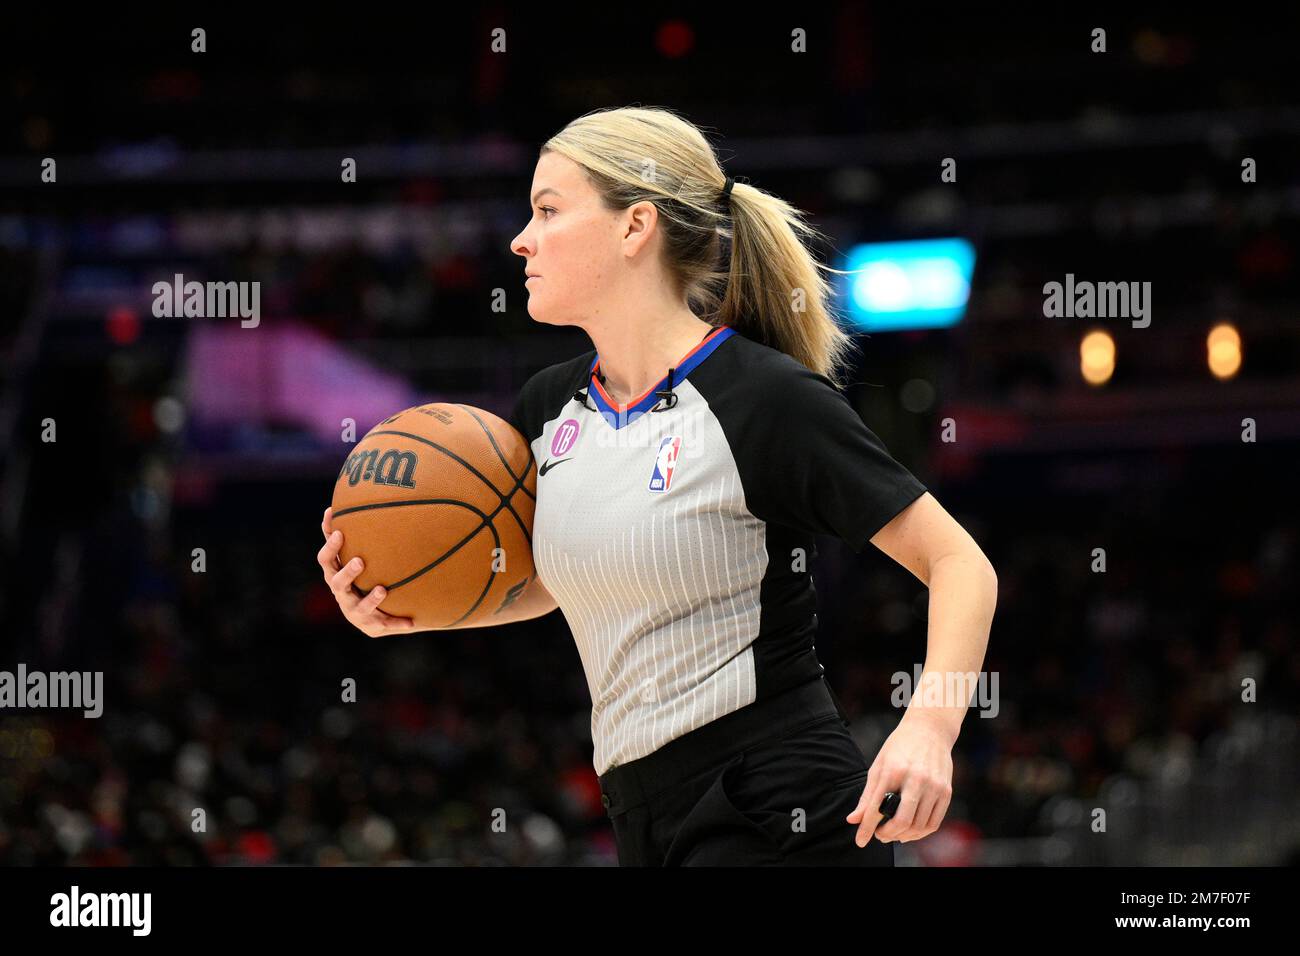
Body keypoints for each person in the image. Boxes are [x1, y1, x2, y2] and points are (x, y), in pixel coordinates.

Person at [320, 106, 998, 866]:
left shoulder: (764, 399)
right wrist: (412, 610)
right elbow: (564, 577)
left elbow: (959, 563)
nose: (521, 238)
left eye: (547, 210)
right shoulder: (547, 409)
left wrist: (930, 728)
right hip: (643, 811)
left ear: (634, 226)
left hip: (773, 801)